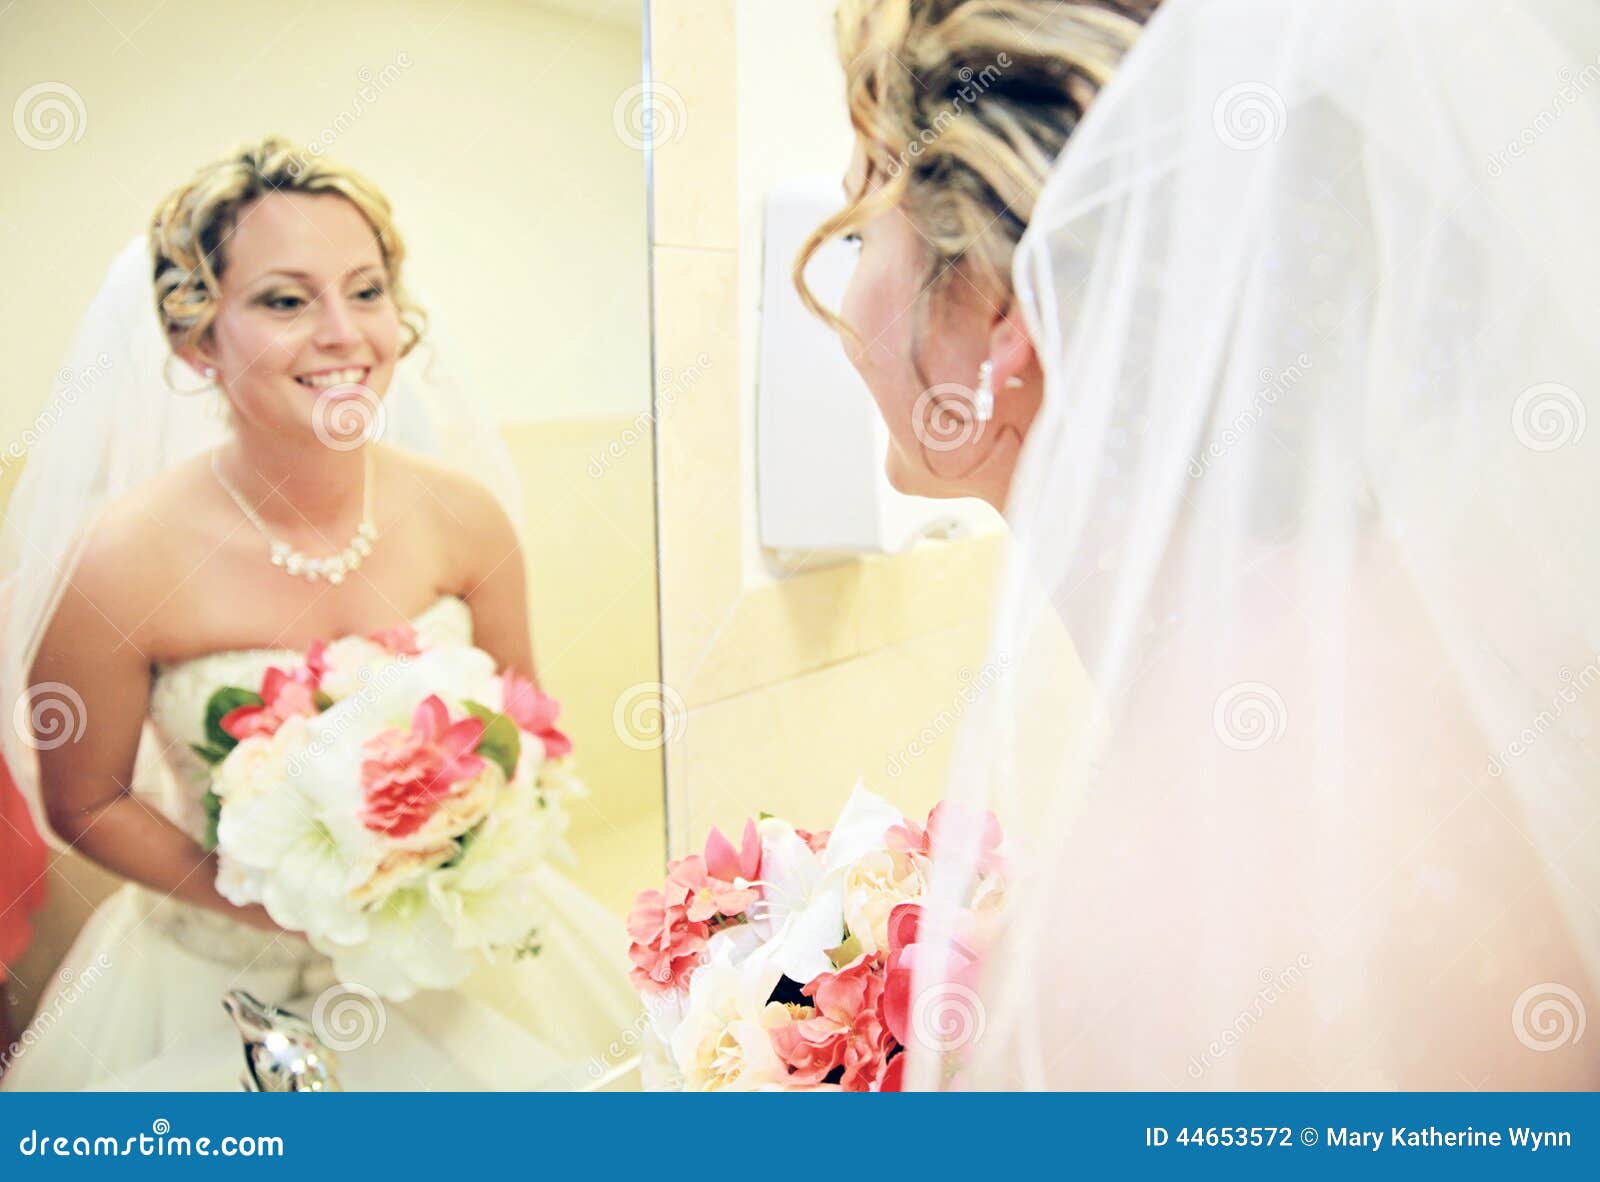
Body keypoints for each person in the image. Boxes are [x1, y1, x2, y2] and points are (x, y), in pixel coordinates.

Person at [801, 0, 1600, 1089]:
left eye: (862, 232)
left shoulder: (1138, 943)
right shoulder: (1465, 643)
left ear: (995, 306)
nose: (843, 305)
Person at [0, 136, 637, 1091]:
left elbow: (528, 735)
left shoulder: (463, 517)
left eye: (367, 291)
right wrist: (282, 907)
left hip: (456, 955)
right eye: (285, 300)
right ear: (196, 336)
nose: (343, 333)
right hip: (219, 971)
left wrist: (448, 859)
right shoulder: (124, 559)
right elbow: (83, 799)